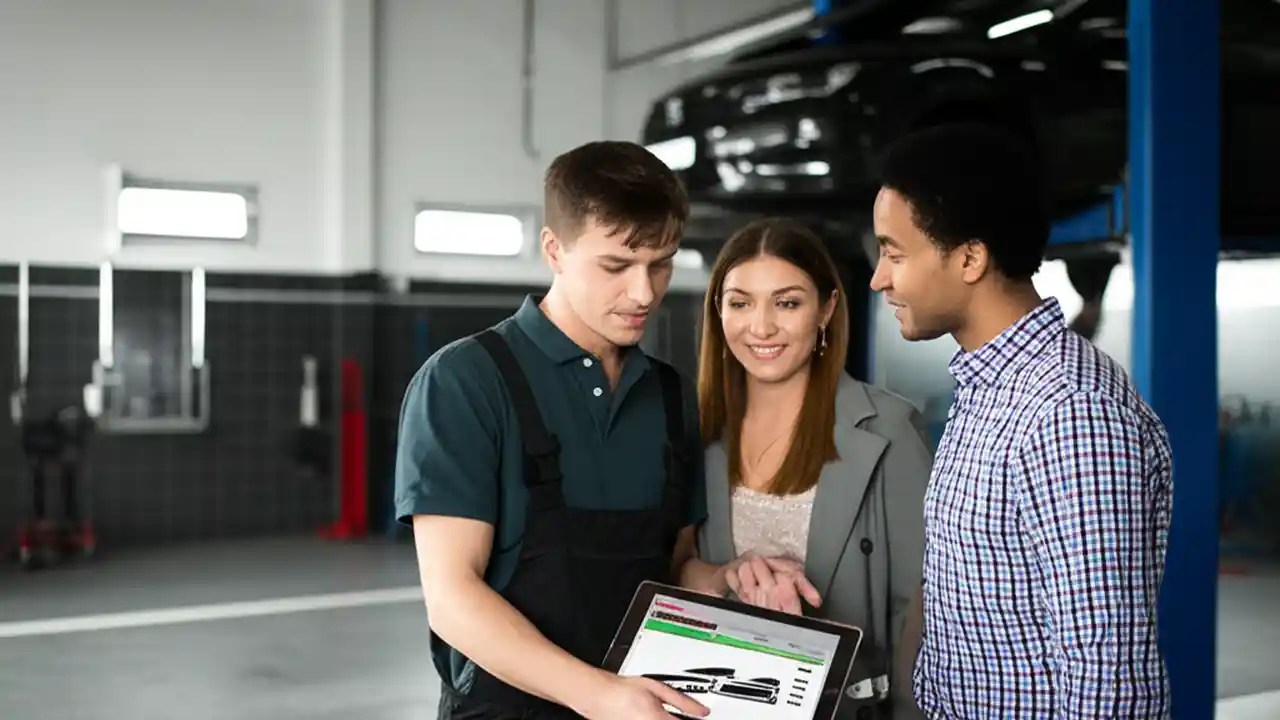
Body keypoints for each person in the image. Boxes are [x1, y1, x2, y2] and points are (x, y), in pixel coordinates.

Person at [394, 140, 710, 720]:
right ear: (554, 250)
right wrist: (600, 696)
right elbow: (452, 598)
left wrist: (735, 580)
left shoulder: (670, 397)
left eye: (661, 263)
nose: (645, 293)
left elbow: (677, 566)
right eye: (616, 265)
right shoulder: (465, 381)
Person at [869, 123, 1174, 718]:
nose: (880, 277)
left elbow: (1106, 679)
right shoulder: (989, 389)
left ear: (970, 257)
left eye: (893, 252)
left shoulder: (1070, 414)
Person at [679, 218, 933, 719]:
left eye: (787, 302)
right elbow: (674, 571)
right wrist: (728, 575)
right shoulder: (693, 428)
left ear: (827, 309)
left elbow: (921, 609)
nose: (762, 326)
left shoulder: (889, 428)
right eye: (740, 302)